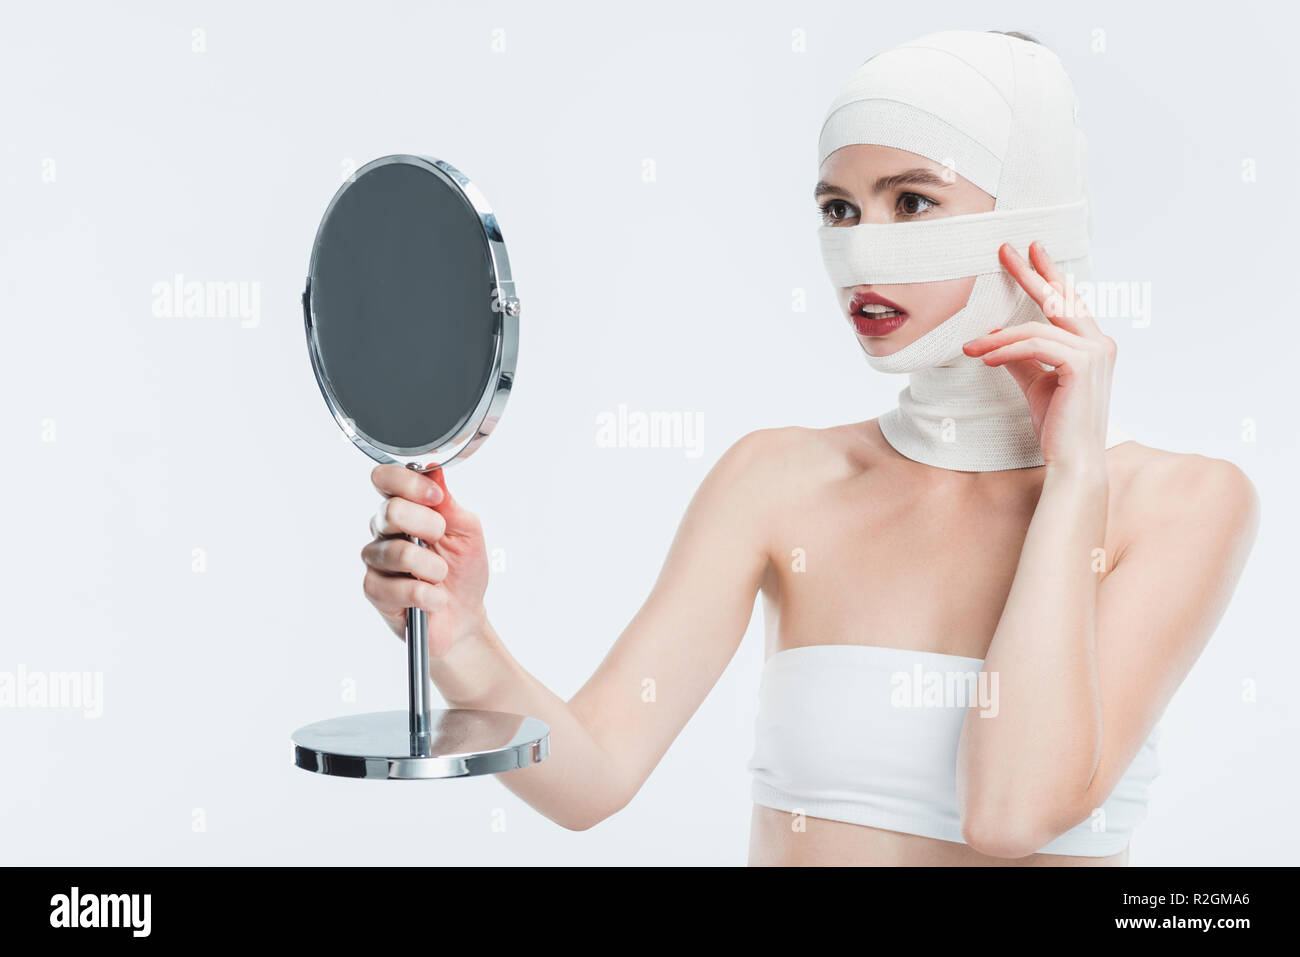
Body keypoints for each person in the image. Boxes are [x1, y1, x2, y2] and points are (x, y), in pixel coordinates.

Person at [358, 29, 1259, 865]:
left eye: (913, 201)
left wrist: (1074, 482)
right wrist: (464, 639)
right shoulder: (777, 479)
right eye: (839, 209)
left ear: (1033, 217)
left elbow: (1010, 813)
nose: (863, 255)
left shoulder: (1181, 505)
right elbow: (592, 778)